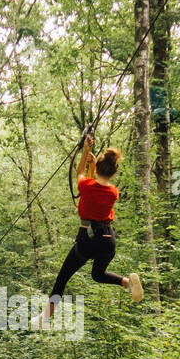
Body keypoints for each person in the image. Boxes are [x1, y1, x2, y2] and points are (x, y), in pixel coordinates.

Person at [37, 134, 142, 325]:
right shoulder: (113, 192)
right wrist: (93, 166)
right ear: (113, 172)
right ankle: (127, 282)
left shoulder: (86, 185)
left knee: (62, 279)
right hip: (108, 239)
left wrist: (85, 151)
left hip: (88, 240)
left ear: (99, 167)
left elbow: (79, 174)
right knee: (97, 274)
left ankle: (45, 318)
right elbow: (95, 185)